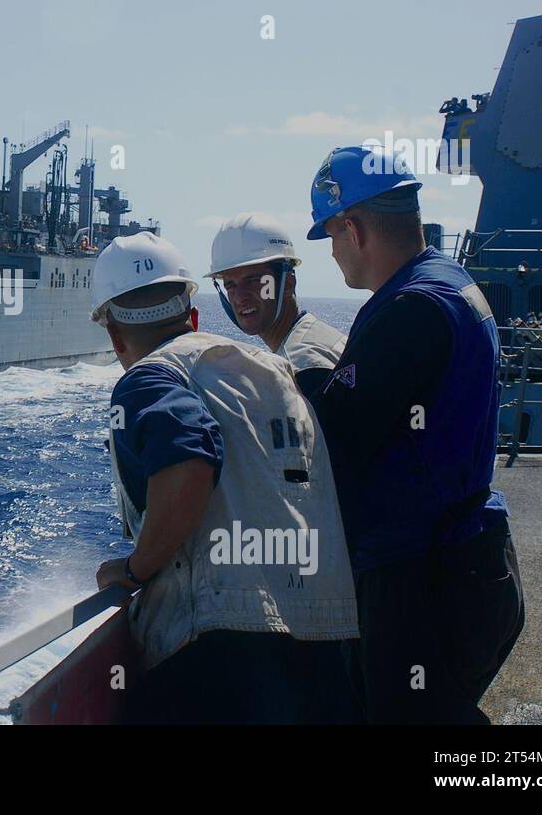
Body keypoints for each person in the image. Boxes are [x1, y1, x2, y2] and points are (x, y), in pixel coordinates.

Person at [90, 231, 358, 724]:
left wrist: (135, 569)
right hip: (321, 647)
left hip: (217, 659)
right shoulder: (274, 370)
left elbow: (189, 460)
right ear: (191, 315)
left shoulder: (149, 377)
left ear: (114, 335)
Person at [305, 145, 526, 724]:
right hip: (468, 560)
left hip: (424, 580)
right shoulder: (449, 283)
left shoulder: (410, 309)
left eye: (329, 236)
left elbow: (334, 439)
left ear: (351, 227)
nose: (332, 253)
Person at [206, 212, 346, 398]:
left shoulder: (299, 367)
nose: (239, 298)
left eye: (254, 280)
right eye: (230, 285)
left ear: (288, 282)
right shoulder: (315, 339)